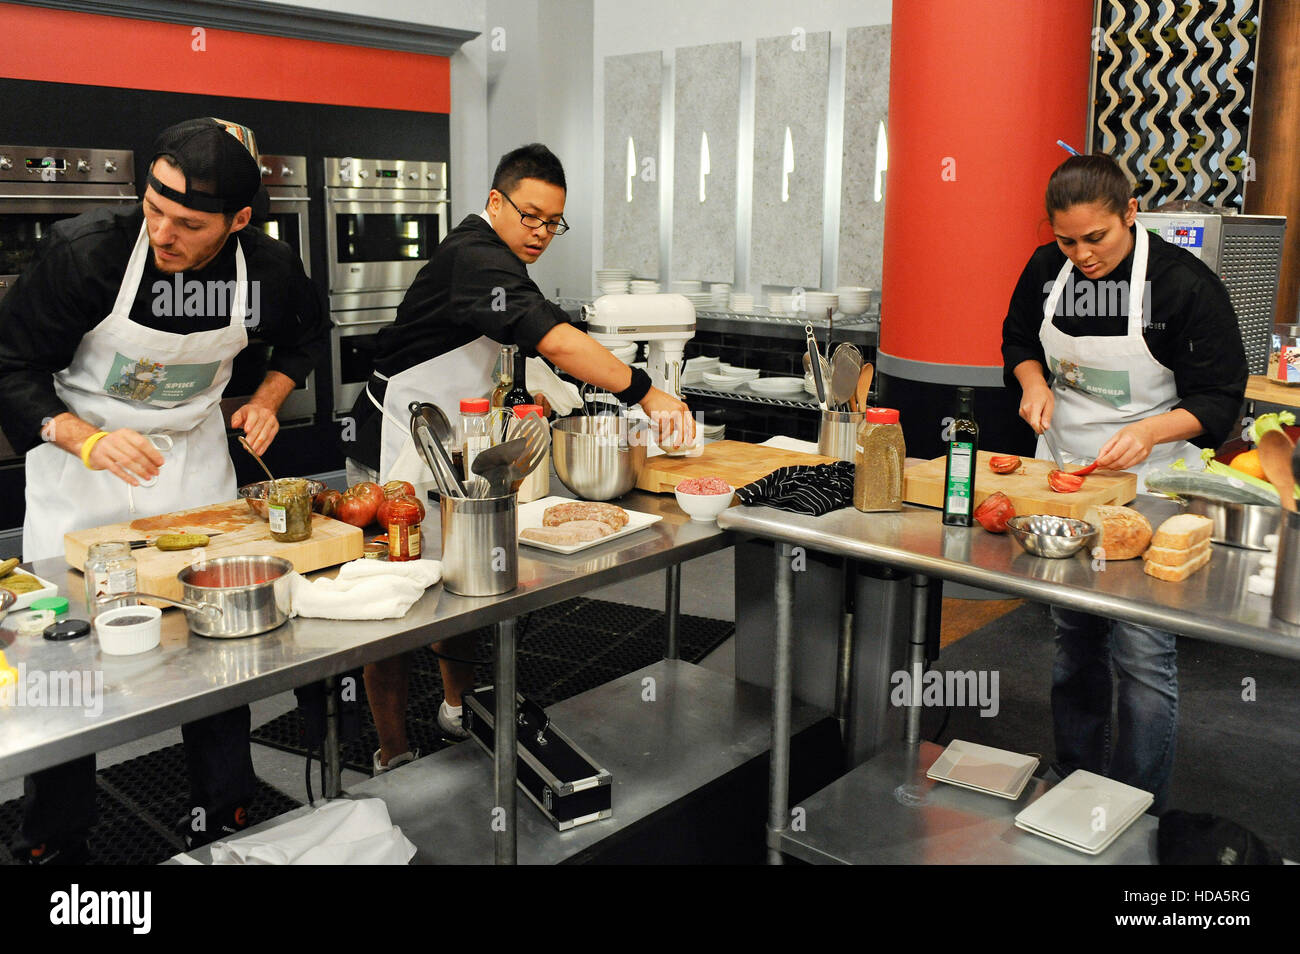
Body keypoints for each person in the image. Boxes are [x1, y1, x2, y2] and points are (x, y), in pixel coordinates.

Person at [0, 118, 329, 862]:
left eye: (187, 223)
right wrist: (84, 438)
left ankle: (226, 807)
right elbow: (8, 367)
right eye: (153, 209)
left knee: (217, 639)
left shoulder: (266, 269)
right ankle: (53, 841)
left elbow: (308, 335)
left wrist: (268, 398)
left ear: (239, 222)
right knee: (68, 655)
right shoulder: (88, 257)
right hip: (82, 469)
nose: (163, 234)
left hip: (190, 465)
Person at [344, 143, 693, 772]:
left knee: (464, 572)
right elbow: (557, 340)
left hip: (451, 442)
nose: (540, 233)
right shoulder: (475, 257)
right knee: (389, 600)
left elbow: (542, 331)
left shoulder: (502, 261)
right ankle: (391, 750)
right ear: (494, 203)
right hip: (395, 442)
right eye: (529, 216)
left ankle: (456, 706)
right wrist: (646, 392)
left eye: (552, 222)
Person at [1001, 154, 1247, 812]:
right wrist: (1032, 383)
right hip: (1069, 480)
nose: (1082, 255)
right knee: (1074, 637)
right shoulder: (1046, 270)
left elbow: (1222, 398)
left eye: (1096, 238)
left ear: (1130, 214)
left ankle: (1138, 808)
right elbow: (1018, 339)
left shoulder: (1181, 285)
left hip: (1151, 482)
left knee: (1142, 650)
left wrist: (1150, 431)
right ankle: (1075, 778)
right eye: (1067, 240)